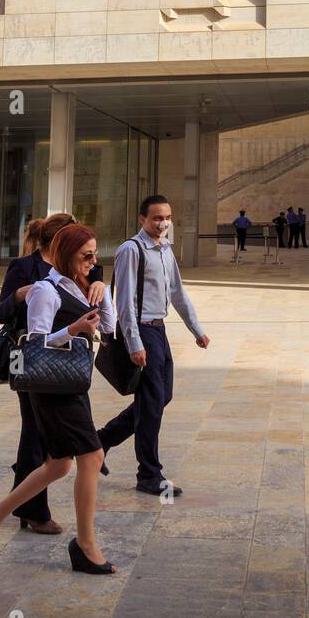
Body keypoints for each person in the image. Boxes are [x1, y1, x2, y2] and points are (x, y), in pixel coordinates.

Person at [0, 223, 117, 574]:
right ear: (67, 254)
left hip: (71, 386)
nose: (93, 261)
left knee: (59, 464)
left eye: (96, 254)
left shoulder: (81, 288)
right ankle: (85, 545)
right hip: (50, 388)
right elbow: (35, 343)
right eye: (87, 255)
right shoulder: (44, 290)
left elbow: (110, 330)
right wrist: (74, 329)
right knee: (92, 456)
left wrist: (103, 290)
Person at [0, 212, 105, 534]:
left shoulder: (83, 266)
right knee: (34, 437)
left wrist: (98, 284)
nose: (91, 258)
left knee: (54, 452)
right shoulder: (25, 268)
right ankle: (33, 511)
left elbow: (97, 307)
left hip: (68, 367)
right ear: (61, 242)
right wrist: (19, 294)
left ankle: (4, 512)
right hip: (33, 362)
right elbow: (1, 312)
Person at [97, 195, 209, 497]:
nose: (163, 223)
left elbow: (177, 293)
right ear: (142, 219)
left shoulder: (165, 250)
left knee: (161, 397)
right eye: (157, 218)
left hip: (159, 331)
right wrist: (134, 343)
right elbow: (125, 302)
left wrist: (196, 329)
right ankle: (149, 474)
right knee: (151, 405)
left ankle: (102, 440)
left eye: (167, 217)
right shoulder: (130, 251)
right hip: (142, 333)